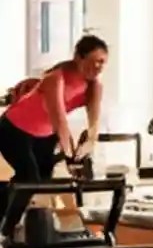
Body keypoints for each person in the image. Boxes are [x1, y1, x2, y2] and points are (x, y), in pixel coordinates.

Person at [0, 35, 108, 203]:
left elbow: (94, 127)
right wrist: (70, 156)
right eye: (94, 61)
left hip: (44, 135)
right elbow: (60, 121)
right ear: (78, 57)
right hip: (13, 130)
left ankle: (10, 224)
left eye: (102, 62)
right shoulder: (56, 78)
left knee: (42, 182)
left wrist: (86, 146)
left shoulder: (95, 86)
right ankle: (6, 226)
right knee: (30, 180)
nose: (98, 67)